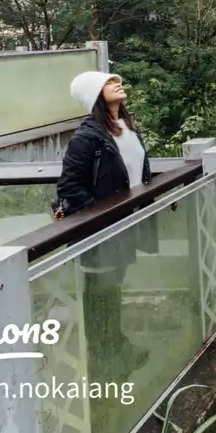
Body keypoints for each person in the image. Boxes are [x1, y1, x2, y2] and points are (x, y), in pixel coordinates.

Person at [55, 70, 154, 382]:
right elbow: (69, 188)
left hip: (125, 225)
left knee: (112, 290)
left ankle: (117, 351)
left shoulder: (127, 127)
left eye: (117, 79)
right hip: (102, 232)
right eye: (109, 82)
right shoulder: (87, 138)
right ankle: (104, 361)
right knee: (101, 295)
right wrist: (101, 219)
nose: (117, 83)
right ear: (95, 94)